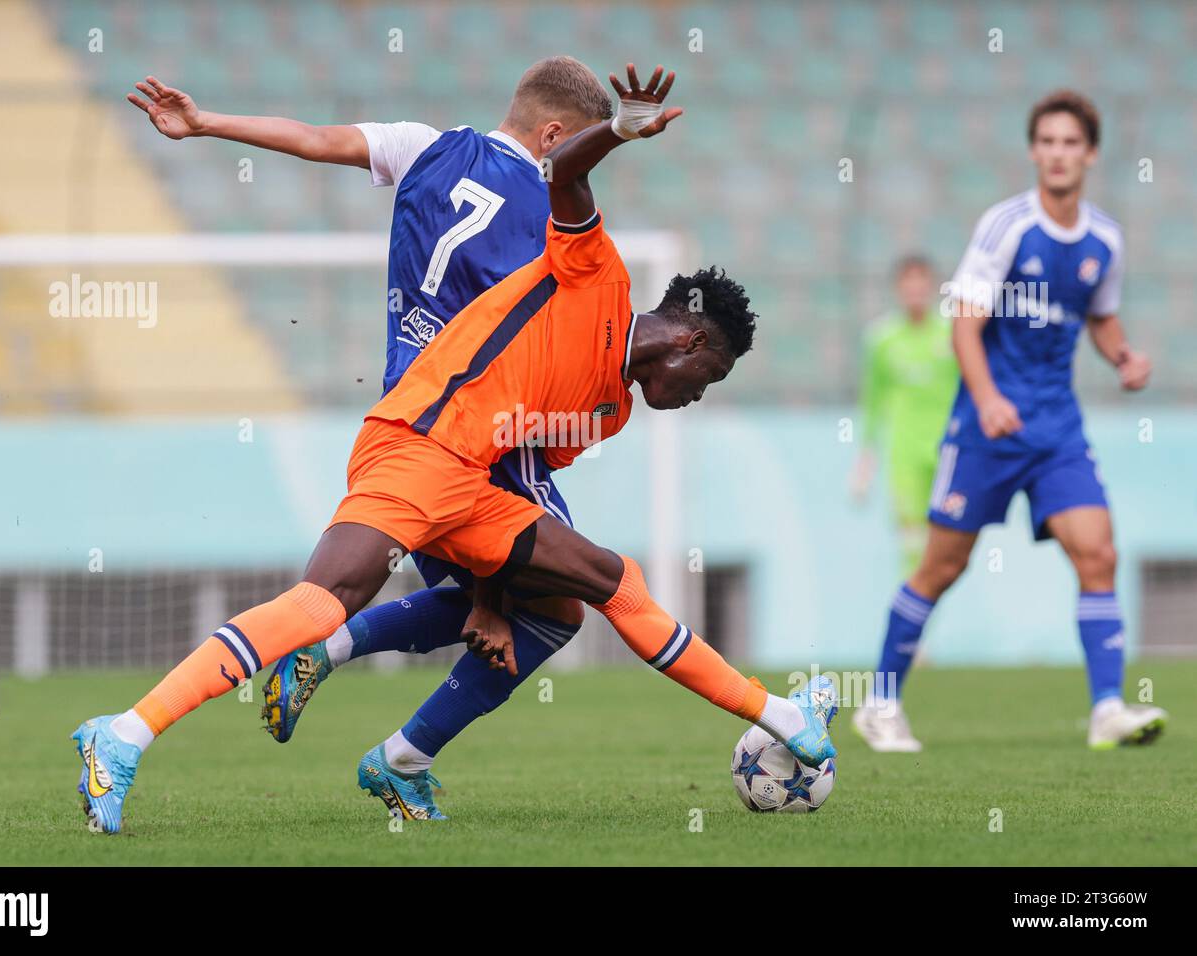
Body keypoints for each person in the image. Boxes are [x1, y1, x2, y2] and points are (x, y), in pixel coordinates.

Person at [75, 64, 838, 832]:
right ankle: (125, 733)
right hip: (417, 441)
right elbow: (564, 173)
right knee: (324, 598)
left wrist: (490, 593)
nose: (700, 395)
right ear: (691, 337)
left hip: (471, 482)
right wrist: (618, 132)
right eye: (709, 376)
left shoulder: (607, 411)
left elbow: (516, 471)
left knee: (604, 584)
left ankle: (782, 715)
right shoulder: (593, 272)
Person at [128, 58, 617, 800]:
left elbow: (314, 139)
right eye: (574, 148)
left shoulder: (426, 144)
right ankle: (397, 751)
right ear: (553, 134)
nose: (573, 165)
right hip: (476, 426)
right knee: (556, 607)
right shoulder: (543, 214)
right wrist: (490, 597)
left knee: (538, 601)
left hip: (398, 413)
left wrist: (204, 124)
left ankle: (358, 694)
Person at [854, 90, 1167, 753]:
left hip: (1056, 427)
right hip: (985, 428)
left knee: (1098, 553)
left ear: (1090, 154)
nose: (1057, 154)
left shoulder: (1104, 238)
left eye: (1069, 143)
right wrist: (990, 398)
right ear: (1034, 152)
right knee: (942, 567)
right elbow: (964, 324)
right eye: (1046, 142)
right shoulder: (1005, 227)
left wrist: (1123, 357)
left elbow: (1099, 316)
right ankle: (880, 703)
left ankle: (1108, 707)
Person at [849, 256, 958, 578]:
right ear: (899, 289)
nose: (915, 291)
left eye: (921, 283)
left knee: (951, 541)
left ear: (931, 287)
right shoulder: (881, 339)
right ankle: (915, 620)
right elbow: (873, 401)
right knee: (911, 542)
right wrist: (865, 461)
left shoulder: (952, 333)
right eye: (908, 284)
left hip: (948, 450)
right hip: (905, 454)